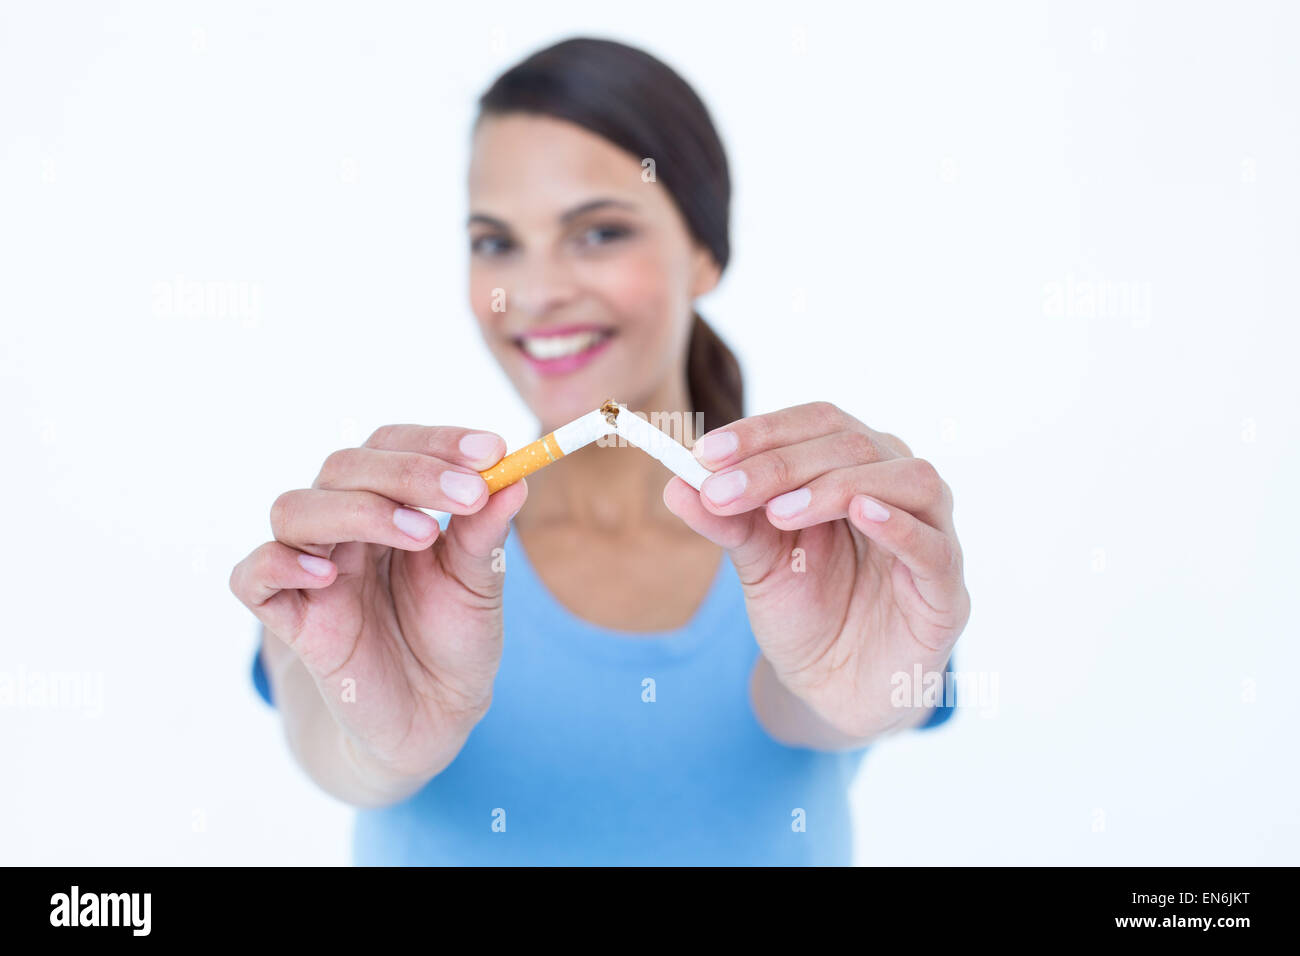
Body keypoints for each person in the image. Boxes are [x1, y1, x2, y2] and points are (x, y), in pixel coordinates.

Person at [229, 36, 970, 865]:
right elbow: (336, 754)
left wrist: (862, 698)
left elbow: (826, 702)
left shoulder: (824, 550)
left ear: (703, 251)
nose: (538, 293)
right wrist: (383, 742)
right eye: (496, 243)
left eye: (599, 232)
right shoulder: (375, 570)